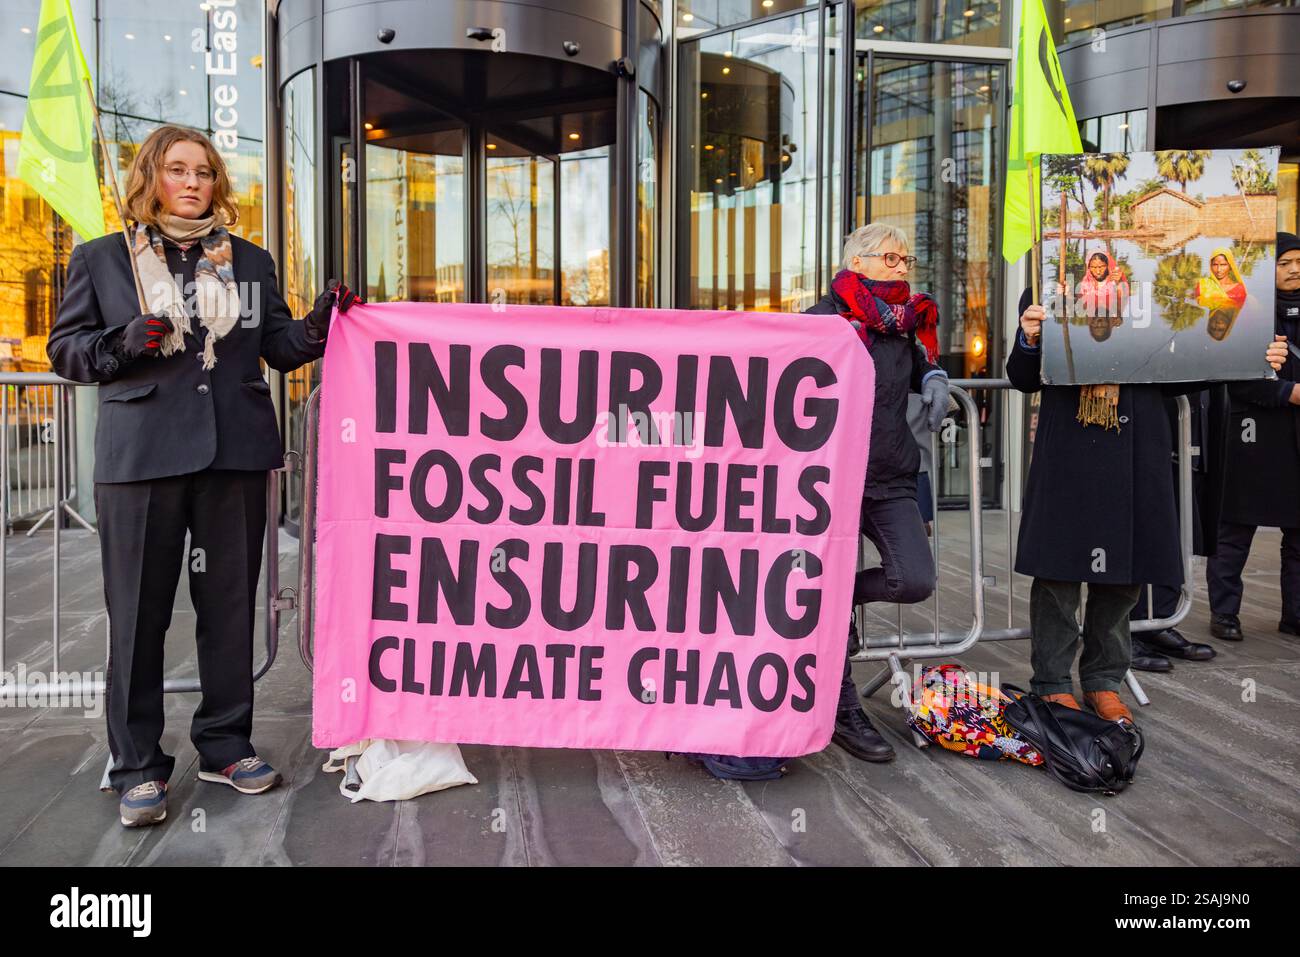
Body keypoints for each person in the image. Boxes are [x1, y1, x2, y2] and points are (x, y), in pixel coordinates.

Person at [47, 124, 360, 828]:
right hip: (140, 461)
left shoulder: (250, 260)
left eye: (205, 172)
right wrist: (119, 343)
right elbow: (65, 350)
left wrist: (316, 327)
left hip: (234, 456)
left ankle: (225, 743)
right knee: (136, 615)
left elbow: (277, 346)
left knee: (228, 610)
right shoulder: (103, 259)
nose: (193, 182)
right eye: (177, 169)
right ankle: (137, 765)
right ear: (151, 179)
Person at [1008, 290, 1284, 722]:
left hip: (1139, 448)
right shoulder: (1052, 279)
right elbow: (1023, 376)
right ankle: (1052, 683)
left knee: (1124, 573)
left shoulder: (1151, 287)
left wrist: (1250, 355)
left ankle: (1104, 681)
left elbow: (1183, 369)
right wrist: (1027, 338)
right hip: (1070, 446)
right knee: (1058, 573)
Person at [805, 223, 949, 762]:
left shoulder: (906, 326)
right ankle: (842, 710)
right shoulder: (820, 322)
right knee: (829, 601)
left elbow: (921, 370)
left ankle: (840, 593)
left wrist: (935, 378)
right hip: (829, 480)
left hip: (890, 474)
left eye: (906, 259)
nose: (902, 268)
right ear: (859, 263)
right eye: (891, 258)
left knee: (914, 578)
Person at [1207, 231, 1300, 641]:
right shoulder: (1248, 311)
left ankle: (1295, 614)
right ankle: (1225, 613)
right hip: (1255, 436)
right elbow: (1234, 376)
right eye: (1284, 263)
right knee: (1235, 530)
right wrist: (1287, 392)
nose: (1295, 269)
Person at [1128, 388, 1226, 671]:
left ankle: (1157, 620)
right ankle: (1123, 630)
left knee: (1177, 531)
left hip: (1192, 419)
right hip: (1148, 413)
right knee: (1143, 529)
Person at [1076, 251, 1130, 319]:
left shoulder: (1116, 278)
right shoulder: (1086, 282)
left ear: (1107, 266)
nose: (1098, 272)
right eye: (1093, 267)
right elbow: (1081, 302)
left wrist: (1120, 283)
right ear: (1089, 268)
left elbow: (1123, 297)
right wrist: (1067, 294)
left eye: (1101, 267)